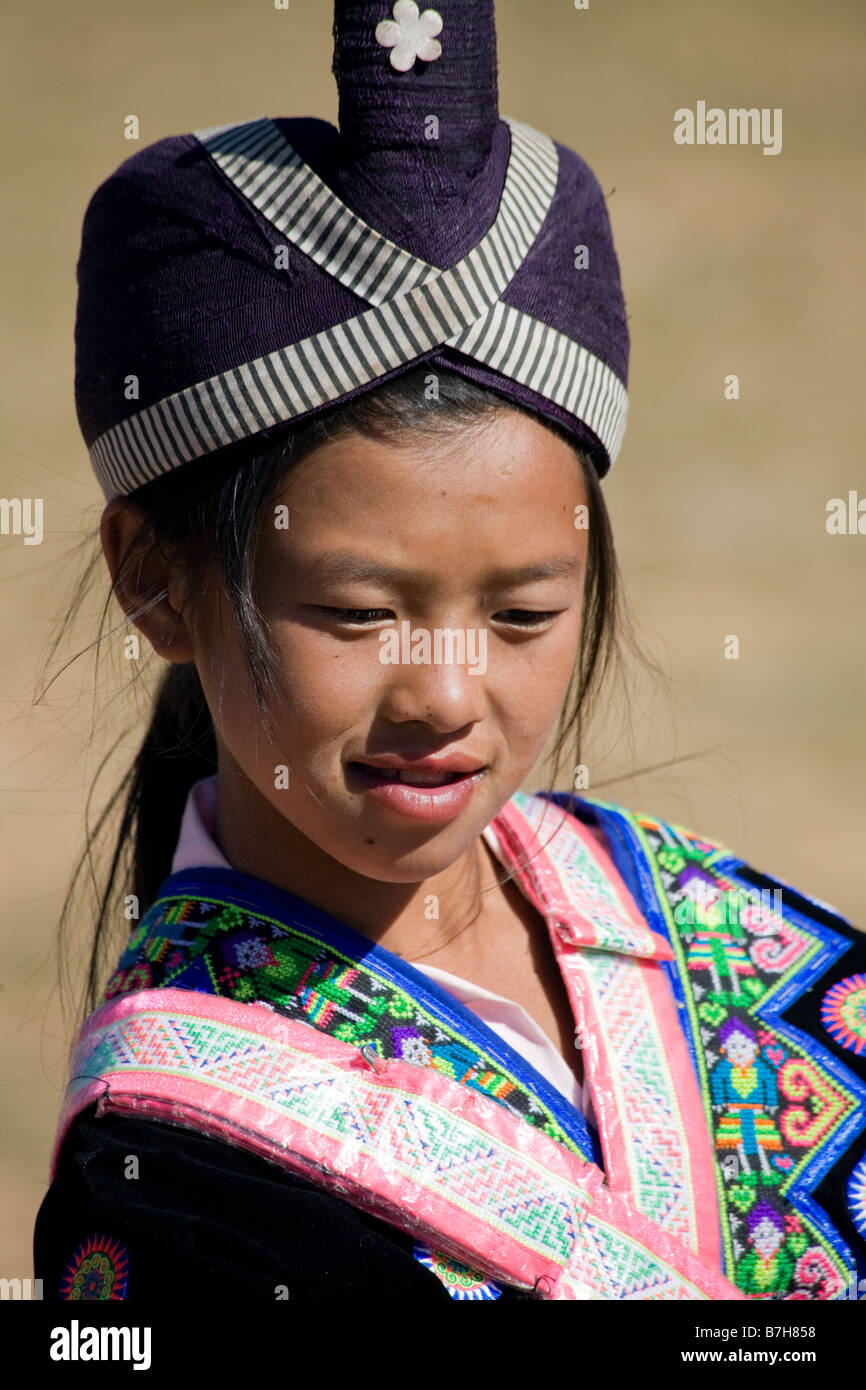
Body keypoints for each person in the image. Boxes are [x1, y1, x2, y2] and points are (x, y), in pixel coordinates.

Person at [33, 0, 866, 1302]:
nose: (444, 690)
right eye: (357, 614)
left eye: (523, 612)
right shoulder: (168, 1193)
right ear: (156, 580)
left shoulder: (713, 934)